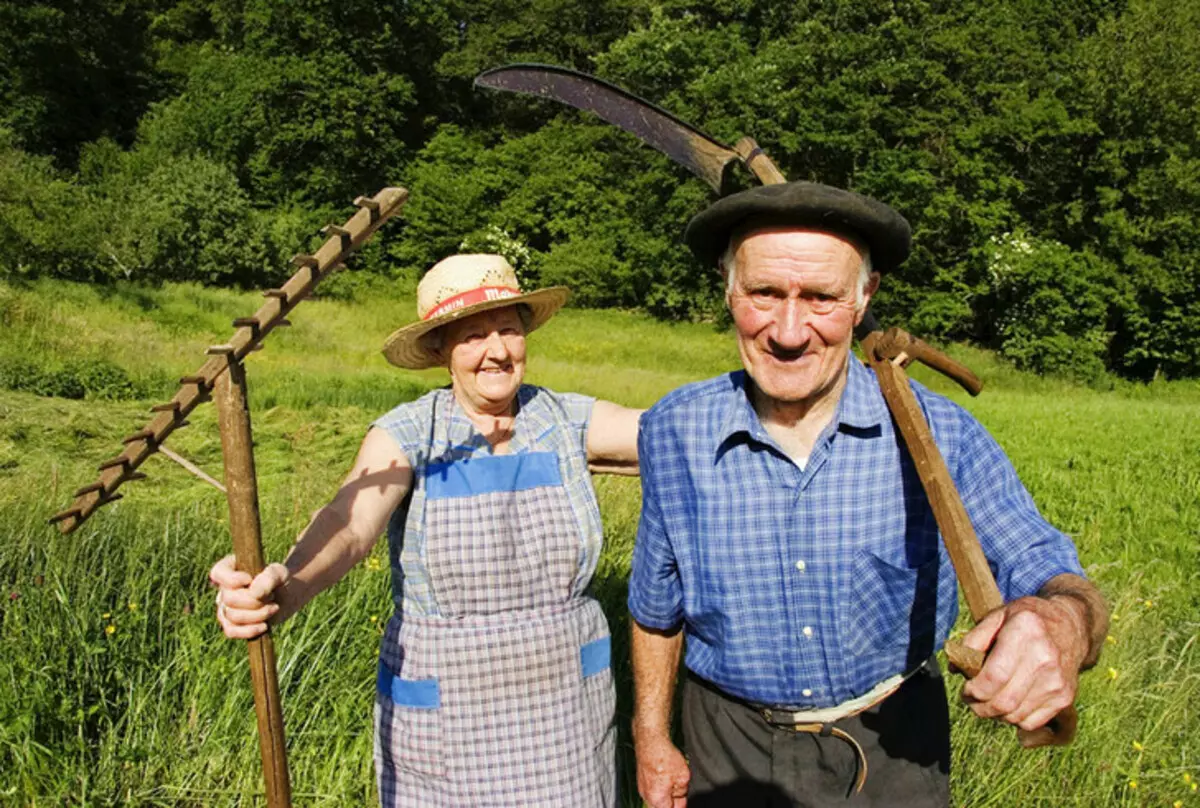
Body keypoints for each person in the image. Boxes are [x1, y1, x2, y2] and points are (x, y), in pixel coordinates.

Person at [627, 182, 1108, 808]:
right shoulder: (673, 431)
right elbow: (656, 608)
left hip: (895, 748)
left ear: (864, 298)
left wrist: (1063, 624)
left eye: (821, 297)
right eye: (765, 293)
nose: (790, 331)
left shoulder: (940, 435)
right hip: (729, 747)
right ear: (728, 289)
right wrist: (651, 737)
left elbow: (1049, 571)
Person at [210, 254, 642, 807]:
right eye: (473, 336)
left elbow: (661, 432)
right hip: (447, 716)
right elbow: (349, 523)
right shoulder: (412, 430)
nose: (497, 351)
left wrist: (769, 386)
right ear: (441, 349)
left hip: (565, 716)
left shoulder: (562, 419)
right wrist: (285, 587)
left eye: (509, 330)